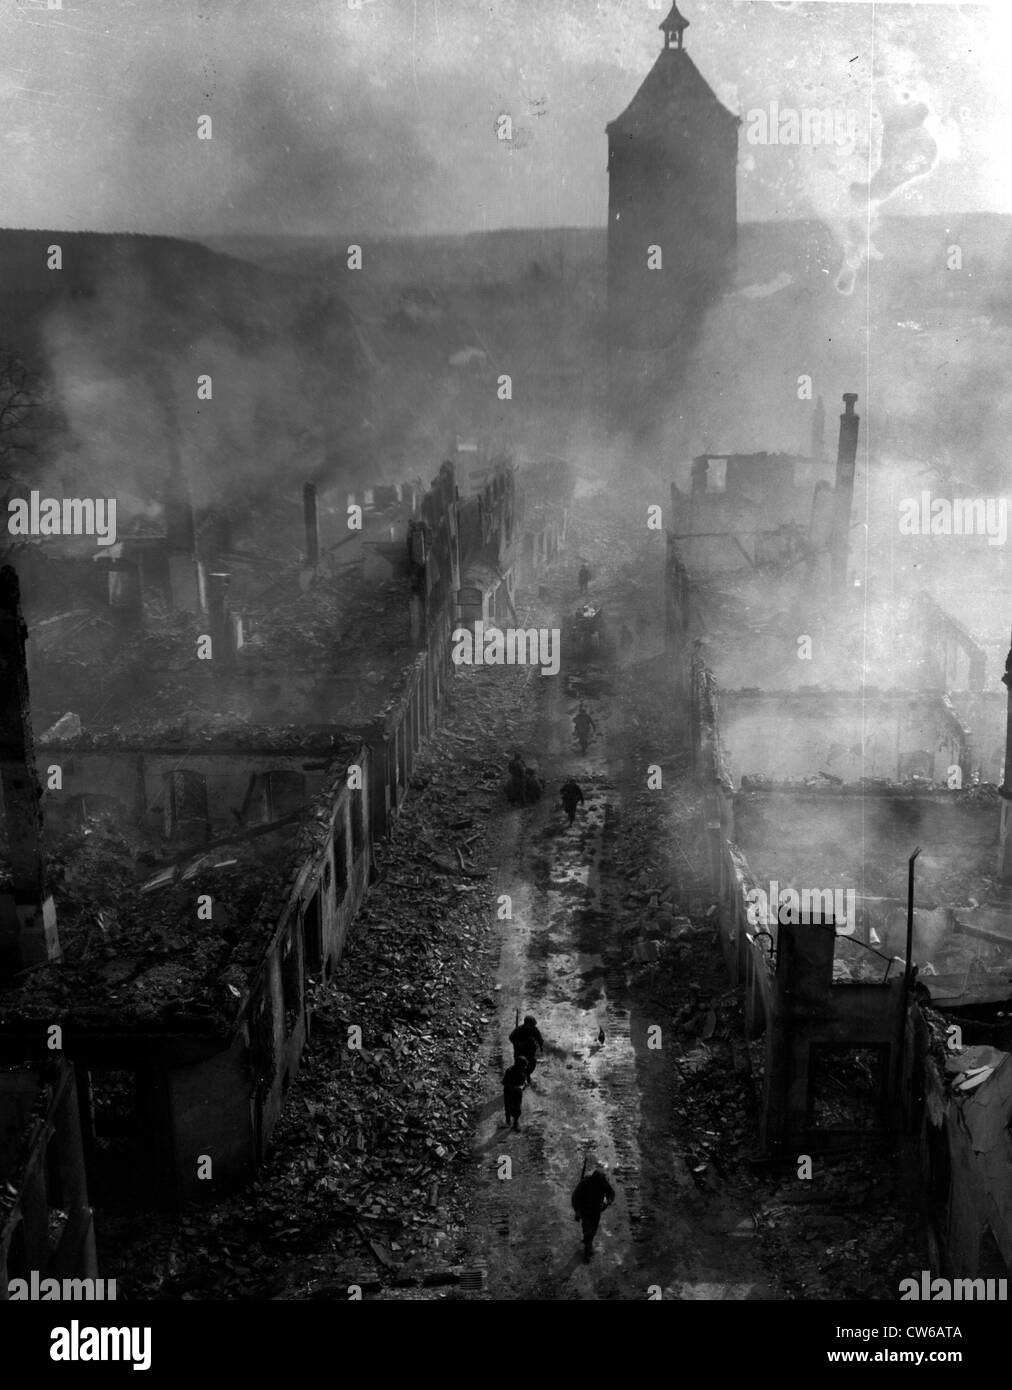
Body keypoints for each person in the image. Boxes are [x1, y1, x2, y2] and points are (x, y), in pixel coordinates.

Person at [572, 1161, 616, 1261]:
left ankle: (588, 1241)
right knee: (587, 1228)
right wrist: (577, 1210)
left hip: (596, 1210)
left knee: (593, 1228)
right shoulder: (586, 1181)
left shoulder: (602, 1181)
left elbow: (611, 1193)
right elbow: (575, 1197)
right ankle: (587, 1249)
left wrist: (607, 1202)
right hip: (585, 1209)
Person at [509, 1014, 544, 1085]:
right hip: (520, 1051)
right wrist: (518, 1043)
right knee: (519, 1065)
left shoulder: (534, 1029)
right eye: (531, 1025)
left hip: (530, 1050)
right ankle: (517, 1079)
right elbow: (511, 1037)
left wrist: (541, 1046)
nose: (533, 1026)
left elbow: (539, 1037)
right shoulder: (518, 1030)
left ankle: (527, 1075)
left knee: (532, 1064)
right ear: (527, 1024)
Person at [502, 1055, 528, 1131]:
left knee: (517, 1108)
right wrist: (515, 1087)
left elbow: (525, 1080)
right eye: (523, 1067)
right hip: (508, 1093)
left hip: (518, 1093)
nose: (524, 1068)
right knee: (508, 1107)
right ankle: (508, 1121)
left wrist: (524, 1084)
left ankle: (515, 1123)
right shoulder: (509, 1071)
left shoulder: (523, 1071)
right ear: (518, 1066)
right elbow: (505, 1082)